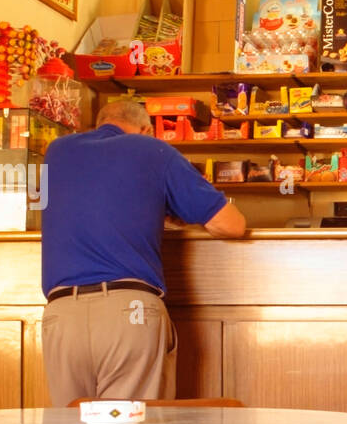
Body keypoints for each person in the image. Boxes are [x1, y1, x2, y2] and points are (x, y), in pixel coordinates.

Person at [41, 99, 246, 406]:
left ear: (99, 123)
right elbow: (231, 226)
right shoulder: (153, 150)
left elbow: (92, 203)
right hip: (129, 313)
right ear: (148, 130)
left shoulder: (56, 152)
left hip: (60, 316)